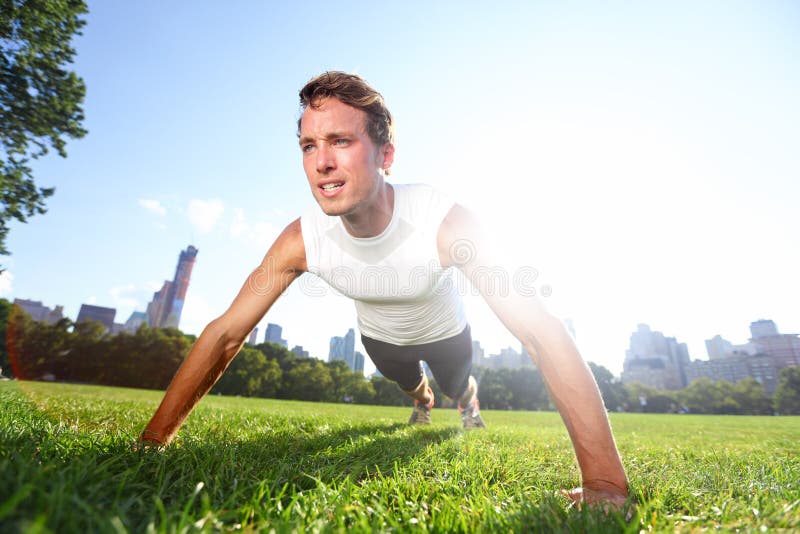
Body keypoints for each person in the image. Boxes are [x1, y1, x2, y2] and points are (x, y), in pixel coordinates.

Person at [139, 71, 629, 509]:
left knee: (457, 387)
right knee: (412, 387)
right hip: (382, 339)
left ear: (386, 155)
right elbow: (227, 333)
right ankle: (422, 402)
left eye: (340, 141)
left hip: (446, 333)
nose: (322, 162)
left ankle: (468, 400)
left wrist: (604, 485)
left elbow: (541, 332)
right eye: (309, 146)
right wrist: (152, 442)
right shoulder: (300, 240)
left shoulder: (444, 222)